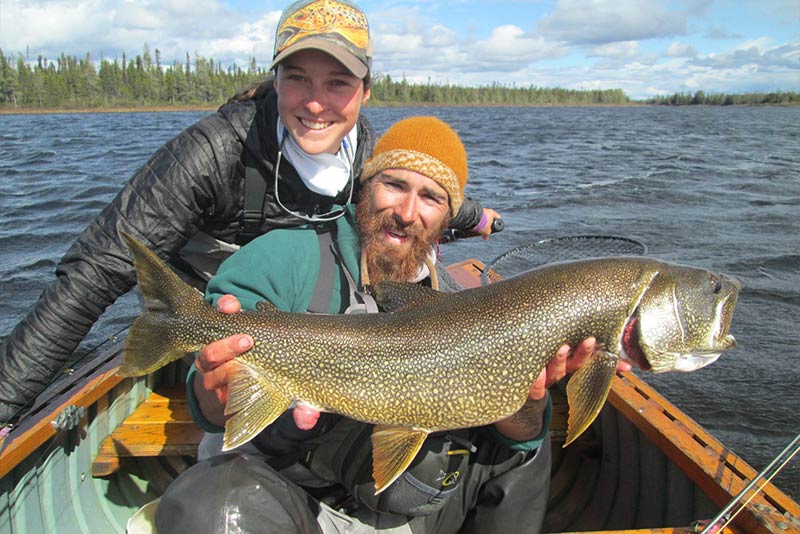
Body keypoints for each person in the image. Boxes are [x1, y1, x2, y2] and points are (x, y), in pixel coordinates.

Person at [0, 0, 499, 423]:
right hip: (211, 324)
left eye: (339, 83)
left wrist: (474, 217)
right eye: (298, 77)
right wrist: (5, 406)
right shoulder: (214, 152)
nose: (317, 103)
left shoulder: (366, 150)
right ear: (275, 79)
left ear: (365, 91)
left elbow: (415, 197)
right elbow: (95, 271)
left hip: (310, 334)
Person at [154, 116, 629, 533]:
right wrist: (211, 392)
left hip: (414, 515)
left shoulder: (463, 307)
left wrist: (526, 402)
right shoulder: (283, 257)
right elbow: (210, 391)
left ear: (447, 218)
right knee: (212, 498)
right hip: (293, 504)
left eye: (431, 197)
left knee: (524, 453)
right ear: (366, 187)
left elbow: (520, 435)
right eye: (395, 185)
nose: (406, 212)